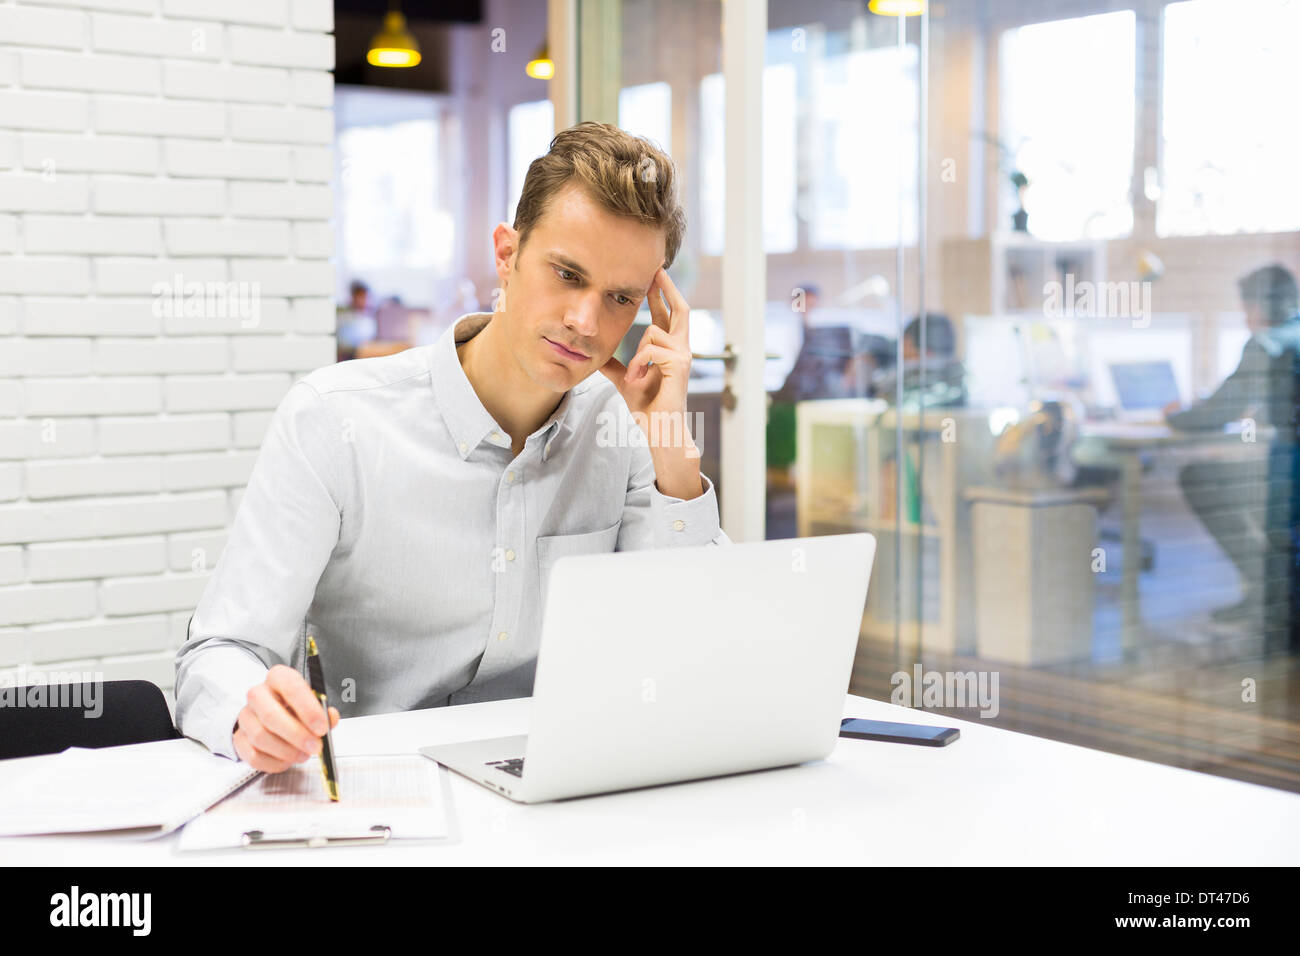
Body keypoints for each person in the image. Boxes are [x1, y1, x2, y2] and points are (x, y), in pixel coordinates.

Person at [175, 123, 731, 772]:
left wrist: (672, 453)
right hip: (380, 796)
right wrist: (250, 712)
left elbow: (692, 651)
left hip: (562, 790)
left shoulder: (626, 429)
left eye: (619, 298)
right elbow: (218, 652)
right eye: (566, 273)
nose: (586, 322)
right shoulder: (335, 421)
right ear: (506, 254)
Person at [1167, 264, 1300, 627]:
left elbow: (1218, 412)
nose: (1245, 318)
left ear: (1256, 307)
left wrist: (1172, 417)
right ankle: (1272, 594)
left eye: (1245, 309)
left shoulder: (1267, 344)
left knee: (1200, 477)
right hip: (1286, 465)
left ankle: (1270, 593)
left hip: (1289, 472)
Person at [870, 313, 967, 409]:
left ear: (908, 341)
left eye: (903, 341)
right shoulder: (959, 378)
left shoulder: (910, 381)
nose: (900, 348)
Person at [335, 280, 377, 361]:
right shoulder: (343, 316)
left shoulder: (368, 320)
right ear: (353, 297)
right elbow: (343, 344)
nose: (364, 301)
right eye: (360, 297)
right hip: (349, 357)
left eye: (366, 297)